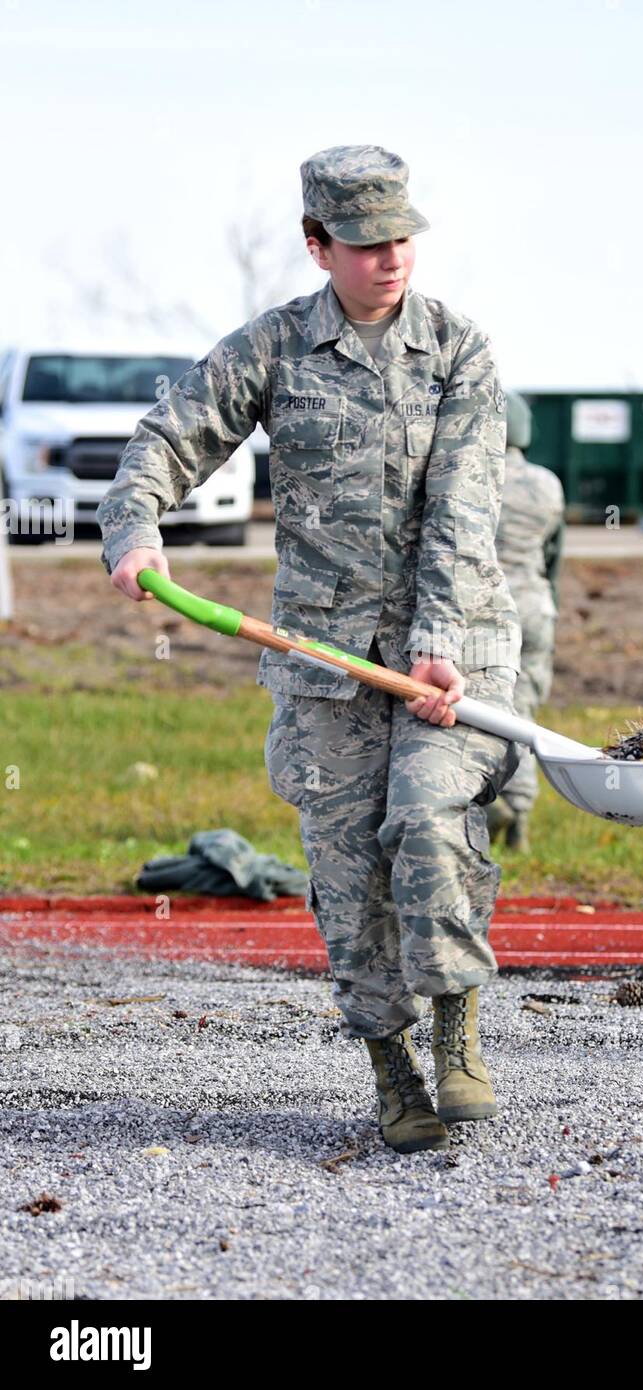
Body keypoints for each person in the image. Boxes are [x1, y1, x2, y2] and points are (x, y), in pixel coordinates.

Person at [97, 144, 523, 1156]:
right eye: (367, 242)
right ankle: (390, 1067)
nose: (391, 258)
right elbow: (169, 437)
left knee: (426, 823)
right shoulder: (277, 347)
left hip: (451, 647)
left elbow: (465, 510)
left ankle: (458, 1027)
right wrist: (135, 527)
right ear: (317, 245)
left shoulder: (458, 348)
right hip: (324, 658)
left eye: (402, 238)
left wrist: (436, 643)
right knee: (343, 868)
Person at [485, 390, 565, 852]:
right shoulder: (547, 484)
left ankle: (486, 801)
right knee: (523, 713)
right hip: (535, 607)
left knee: (475, 711)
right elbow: (554, 557)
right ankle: (520, 820)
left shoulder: (470, 474)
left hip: (483, 609)